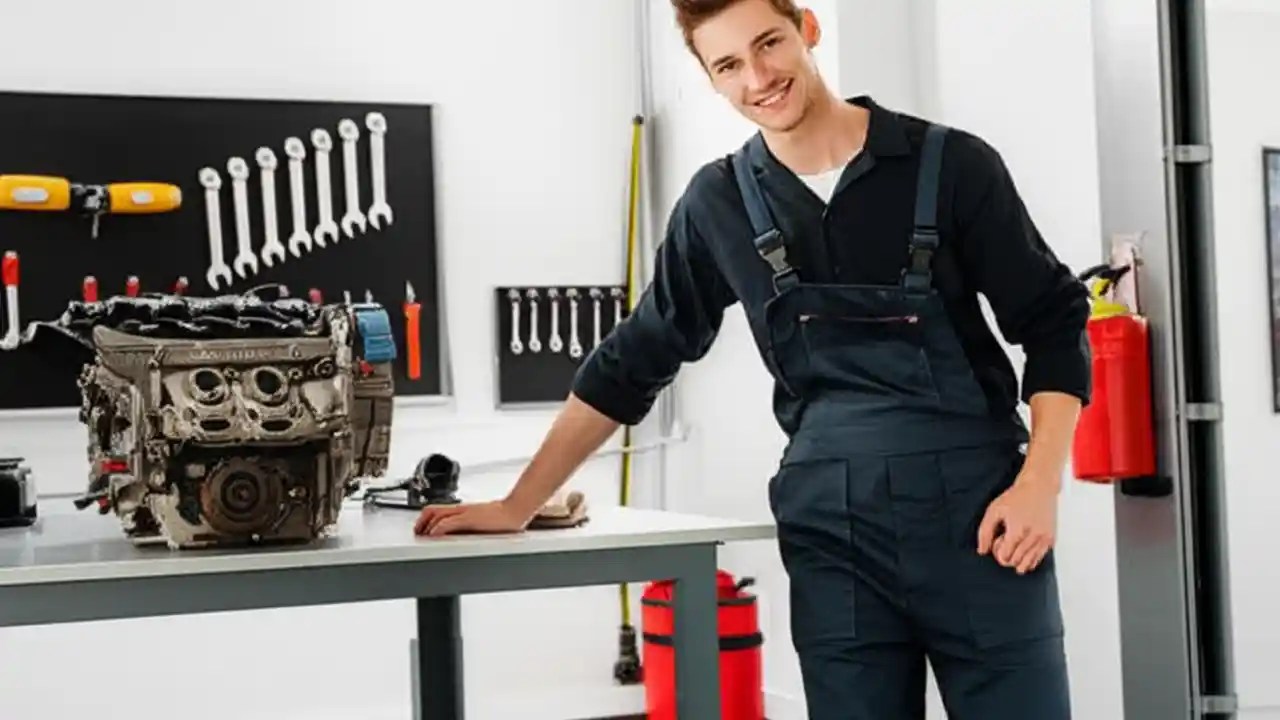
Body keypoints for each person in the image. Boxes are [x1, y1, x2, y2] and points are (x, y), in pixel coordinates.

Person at [414, 0, 1089, 717]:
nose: (758, 77)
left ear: (807, 28)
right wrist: (520, 503)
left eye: (768, 44)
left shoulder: (953, 166)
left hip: (984, 520)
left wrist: (1039, 484)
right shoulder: (719, 204)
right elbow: (634, 359)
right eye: (729, 65)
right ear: (710, 79)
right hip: (836, 536)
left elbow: (1051, 323)